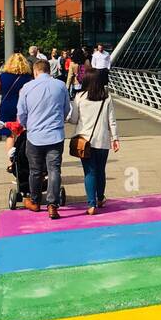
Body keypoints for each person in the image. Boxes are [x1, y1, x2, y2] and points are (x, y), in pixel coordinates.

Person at [17, 57, 72, 219]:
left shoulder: (27, 87)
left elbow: (21, 113)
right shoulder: (60, 86)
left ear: (35, 71)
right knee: (54, 170)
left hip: (34, 135)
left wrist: (28, 125)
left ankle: (35, 201)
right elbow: (66, 108)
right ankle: (52, 205)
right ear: (49, 70)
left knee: (35, 170)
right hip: (55, 134)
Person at [69, 69, 120, 214]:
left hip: (85, 141)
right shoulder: (107, 97)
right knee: (100, 171)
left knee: (89, 172)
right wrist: (115, 138)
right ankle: (100, 198)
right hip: (103, 140)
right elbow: (112, 121)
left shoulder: (79, 97)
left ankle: (91, 204)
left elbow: (73, 119)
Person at [0, 52, 32, 170]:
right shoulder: (28, 77)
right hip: (24, 108)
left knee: (10, 136)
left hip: (6, 108)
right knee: (23, 134)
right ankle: (24, 160)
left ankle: (11, 162)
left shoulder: (3, 76)